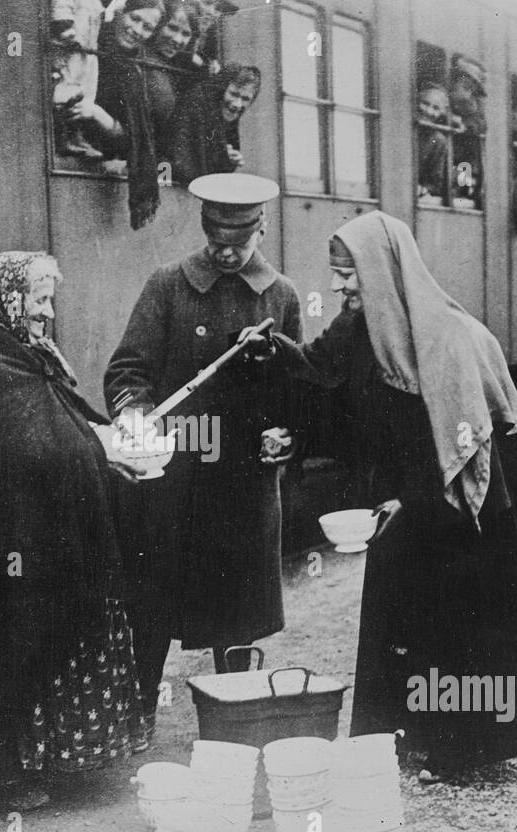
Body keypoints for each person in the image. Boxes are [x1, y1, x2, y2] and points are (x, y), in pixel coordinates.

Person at [266, 211, 517, 776]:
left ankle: (466, 746)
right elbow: (322, 387)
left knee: (461, 618)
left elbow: (469, 448)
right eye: (335, 273)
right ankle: (401, 734)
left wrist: (416, 497)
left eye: (348, 274)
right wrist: (270, 355)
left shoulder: (452, 339)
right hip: (405, 497)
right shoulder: (359, 328)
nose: (338, 286)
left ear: (380, 271)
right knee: (402, 612)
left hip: (470, 511)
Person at [0, 251, 150, 812]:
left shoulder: (22, 356)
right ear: (7, 300)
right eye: (38, 301)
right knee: (1, 653)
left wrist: (102, 442)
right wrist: (99, 451)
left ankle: (36, 763)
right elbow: (35, 449)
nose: (46, 314)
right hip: (5, 548)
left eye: (49, 301)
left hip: (29, 539)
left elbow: (64, 424)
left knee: (23, 651)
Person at [104, 173, 301, 731]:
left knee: (237, 611)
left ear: (261, 228)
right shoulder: (167, 285)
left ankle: (232, 721)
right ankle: (137, 715)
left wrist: (285, 435)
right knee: (153, 604)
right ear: (203, 227)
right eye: (216, 238)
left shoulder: (281, 295)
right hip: (175, 478)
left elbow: (297, 391)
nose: (226, 251)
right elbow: (127, 371)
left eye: (239, 241)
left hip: (243, 484)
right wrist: (135, 414)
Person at [66, 0, 164, 228]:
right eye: (135, 18)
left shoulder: (133, 73)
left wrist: (97, 114)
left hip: (100, 165)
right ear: (119, 12)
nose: (137, 31)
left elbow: (133, 141)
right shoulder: (89, 43)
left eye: (147, 28)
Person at [168, 64, 259, 186]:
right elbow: (183, 165)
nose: (238, 104)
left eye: (246, 99)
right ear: (221, 89)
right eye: (233, 94)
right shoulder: (197, 104)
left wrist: (228, 159)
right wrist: (220, 153)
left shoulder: (223, 113)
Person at [141, 0, 198, 154]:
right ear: (158, 25)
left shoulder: (173, 69)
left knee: (165, 175)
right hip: (144, 156)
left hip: (160, 161)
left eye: (186, 34)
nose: (177, 39)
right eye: (172, 28)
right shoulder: (144, 59)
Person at [50, 0, 105, 159]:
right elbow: (61, 8)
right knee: (66, 90)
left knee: (85, 95)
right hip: (70, 49)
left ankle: (77, 136)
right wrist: (65, 28)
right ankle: (63, 137)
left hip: (88, 52)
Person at [448, 55, 485, 208]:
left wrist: (464, 124)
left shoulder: (471, 106)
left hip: (462, 159)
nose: (468, 94)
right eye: (466, 86)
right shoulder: (441, 97)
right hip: (446, 156)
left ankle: (463, 191)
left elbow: (479, 124)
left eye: (471, 89)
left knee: (466, 164)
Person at [415, 84, 449, 201]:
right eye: (425, 103)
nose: (429, 111)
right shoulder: (402, 128)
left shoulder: (438, 141)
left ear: (441, 113)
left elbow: (435, 184)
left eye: (435, 108)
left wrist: (421, 189)